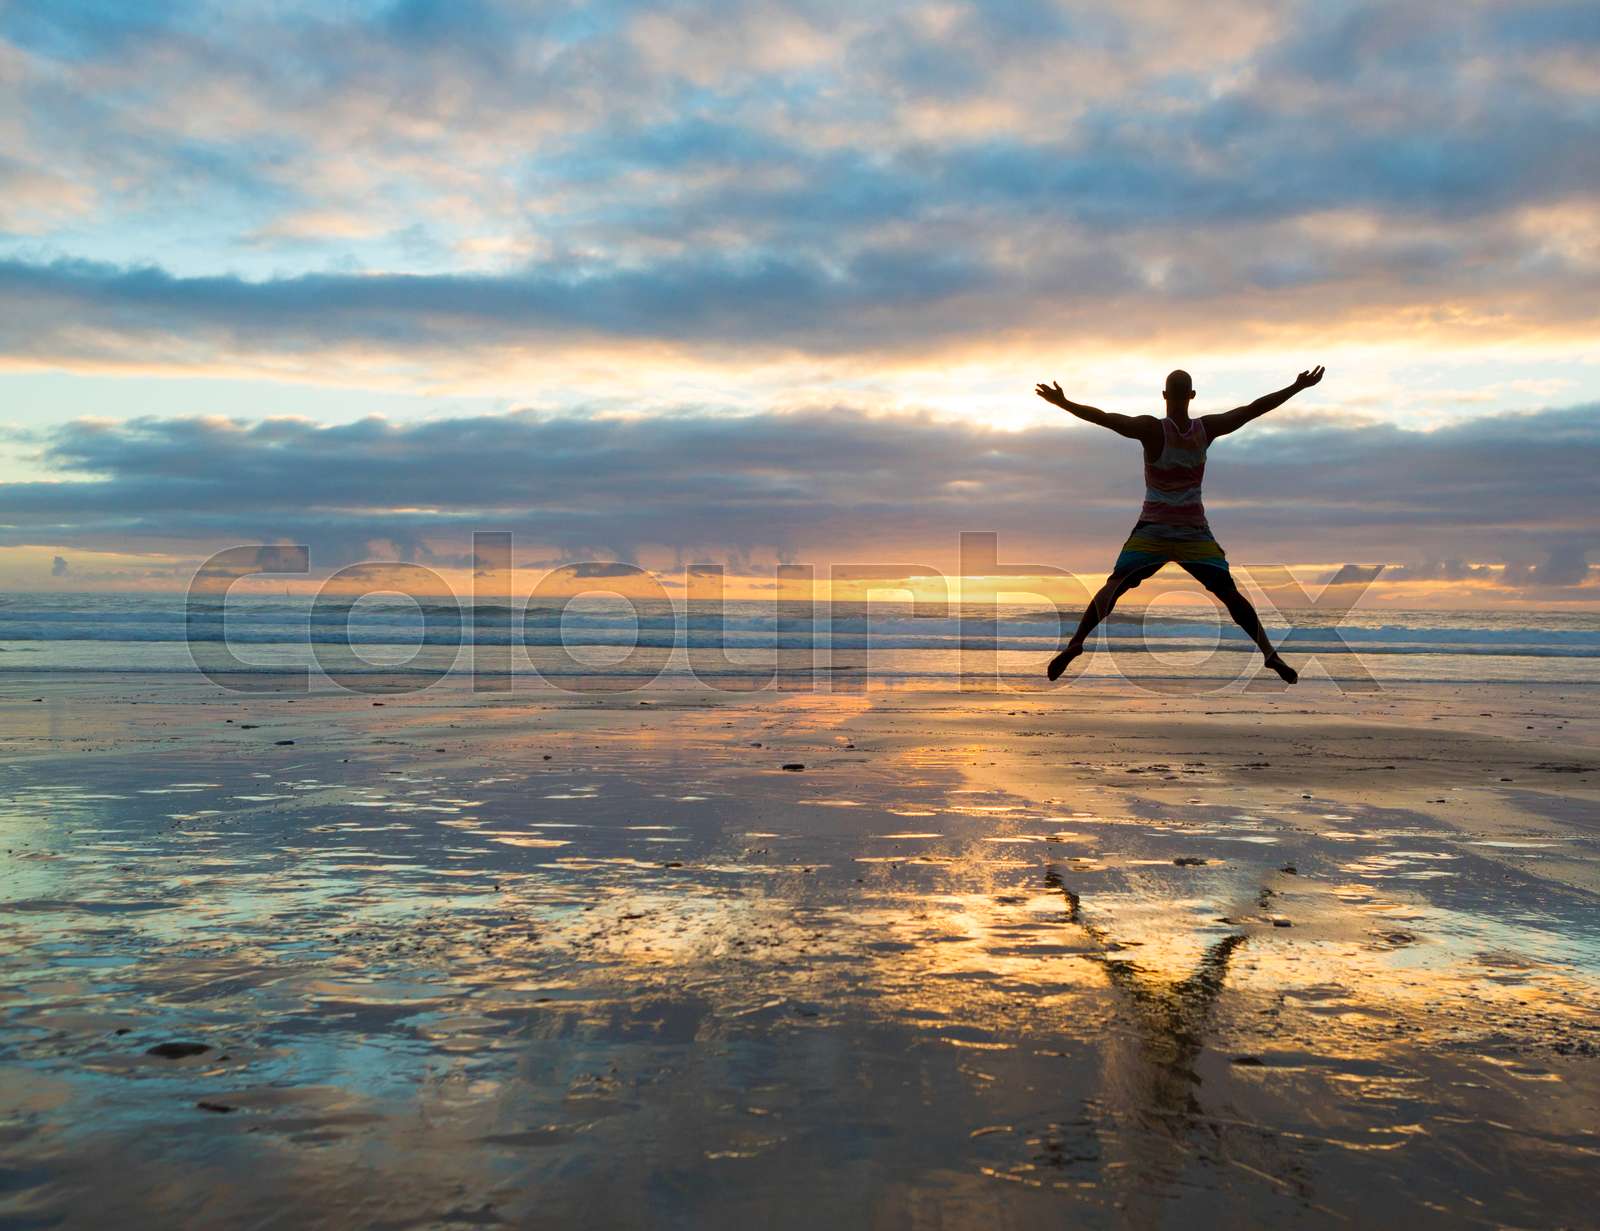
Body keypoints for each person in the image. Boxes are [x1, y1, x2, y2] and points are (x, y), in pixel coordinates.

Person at [1035, 366, 1325, 683]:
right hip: (1193, 533)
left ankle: (1077, 642)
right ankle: (1270, 653)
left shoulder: (1150, 429)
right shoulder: (1207, 428)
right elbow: (1253, 409)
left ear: (1164, 396)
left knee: (1114, 585)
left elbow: (1106, 418)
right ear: (1191, 396)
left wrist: (1064, 403)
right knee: (1229, 594)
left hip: (1152, 529)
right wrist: (1296, 387)